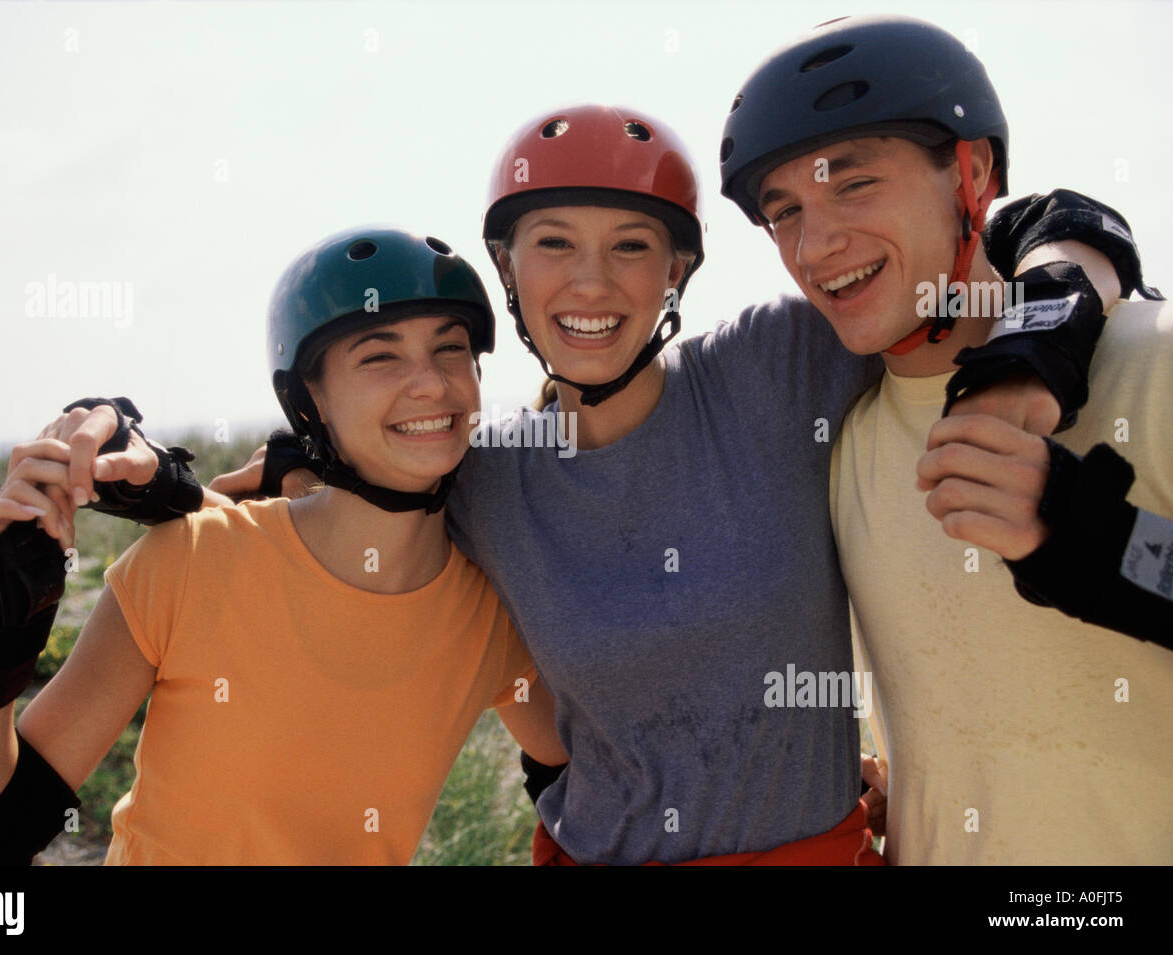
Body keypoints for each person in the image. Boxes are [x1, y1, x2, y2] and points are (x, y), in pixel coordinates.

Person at [170, 104, 1133, 865]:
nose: (592, 285)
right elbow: (327, 491)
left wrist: (1048, 332)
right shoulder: (485, 475)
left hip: (810, 856)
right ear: (505, 269)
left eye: (632, 246)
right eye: (553, 244)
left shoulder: (776, 363)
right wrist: (155, 458)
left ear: (678, 270)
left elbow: (1031, 228)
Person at [0, 226, 565, 865]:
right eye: (380, 354)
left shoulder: (490, 615)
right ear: (310, 403)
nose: (431, 382)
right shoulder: (189, 560)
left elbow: (587, 777)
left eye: (451, 348)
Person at [722, 13, 1172, 863]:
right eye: (784, 212)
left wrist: (1098, 544)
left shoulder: (1155, 361)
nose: (816, 245)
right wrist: (927, 785)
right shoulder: (837, 443)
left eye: (853, 185)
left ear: (972, 174)